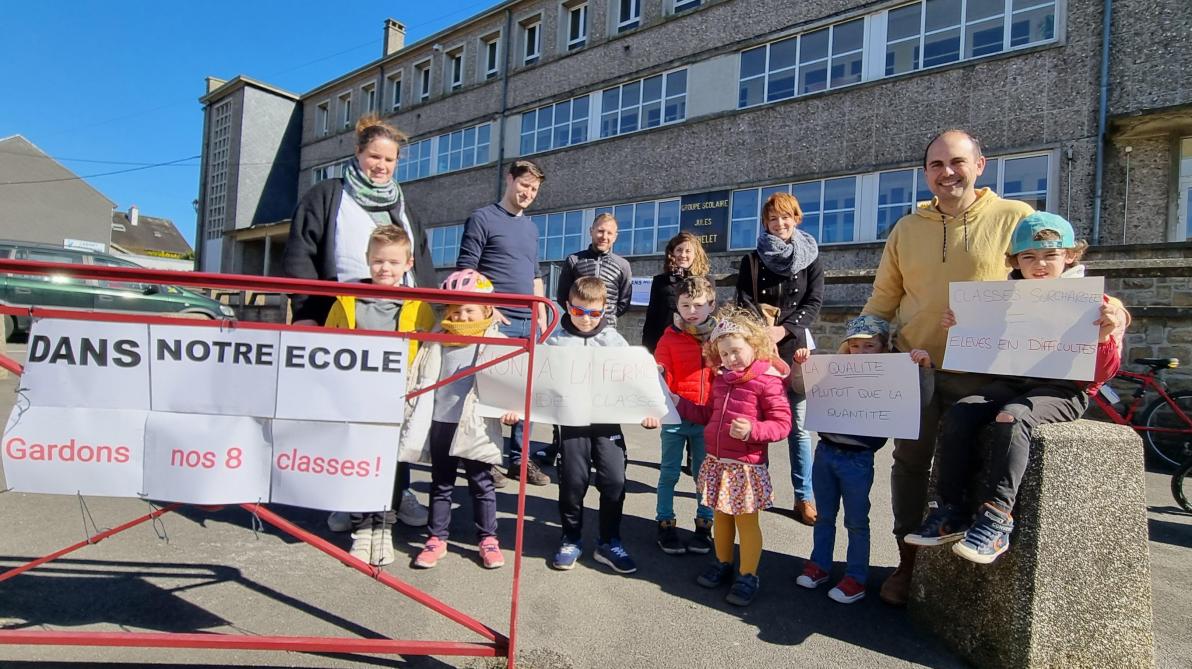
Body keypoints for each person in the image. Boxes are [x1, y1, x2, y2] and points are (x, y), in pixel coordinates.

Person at [860, 128, 1038, 606]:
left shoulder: (1016, 217)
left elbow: (1053, 274)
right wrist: (862, 338)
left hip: (987, 374)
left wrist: (1107, 310)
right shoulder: (906, 228)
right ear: (925, 174)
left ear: (980, 165)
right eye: (936, 165)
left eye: (957, 162)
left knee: (973, 465)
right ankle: (908, 561)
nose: (947, 173)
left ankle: (971, 581)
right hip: (916, 371)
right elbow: (881, 301)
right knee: (909, 466)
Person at [905, 212, 1126, 564]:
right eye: (1029, 257)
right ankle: (951, 512)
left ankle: (996, 518)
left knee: (1013, 417)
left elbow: (1103, 373)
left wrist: (1103, 336)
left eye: (1050, 256)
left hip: (1065, 389)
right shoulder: (1004, 298)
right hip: (1014, 380)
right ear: (1015, 261)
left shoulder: (1099, 304)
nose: (1040, 265)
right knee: (961, 412)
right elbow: (993, 351)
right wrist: (963, 328)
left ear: (1069, 255)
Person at [284, 115, 433, 533]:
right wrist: (308, 314)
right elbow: (300, 257)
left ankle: (397, 493)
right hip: (344, 327)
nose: (381, 166)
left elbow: (421, 261)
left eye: (389, 159)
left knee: (394, 421)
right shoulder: (326, 196)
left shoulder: (403, 205)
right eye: (374, 156)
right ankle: (345, 497)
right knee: (348, 419)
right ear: (358, 154)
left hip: (399, 330)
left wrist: (434, 318)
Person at [796, 316, 932, 604]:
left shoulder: (891, 375)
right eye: (855, 345)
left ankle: (855, 578)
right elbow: (799, 387)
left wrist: (924, 370)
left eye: (869, 346)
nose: (860, 352)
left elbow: (919, 403)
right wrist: (801, 364)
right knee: (825, 517)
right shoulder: (833, 369)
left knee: (856, 521)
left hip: (858, 460)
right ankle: (820, 564)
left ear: (884, 348)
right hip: (826, 452)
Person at [323, 225, 435, 565]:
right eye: (377, 261)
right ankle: (359, 522)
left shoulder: (418, 304)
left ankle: (385, 523)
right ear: (367, 261)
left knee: (392, 460)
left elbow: (430, 346)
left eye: (392, 262)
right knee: (356, 458)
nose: (384, 269)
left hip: (398, 396)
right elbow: (329, 341)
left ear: (408, 263)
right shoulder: (347, 300)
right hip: (356, 396)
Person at [398, 269, 518, 571]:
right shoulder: (436, 340)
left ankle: (488, 537)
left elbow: (511, 380)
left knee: (481, 482)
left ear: (487, 310)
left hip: (476, 424)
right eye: (455, 310)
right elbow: (420, 374)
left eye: (469, 310)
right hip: (441, 422)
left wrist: (511, 407)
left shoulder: (496, 342)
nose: (462, 316)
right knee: (441, 482)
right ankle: (437, 538)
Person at [676, 307, 792, 607]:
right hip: (718, 463)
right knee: (721, 517)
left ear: (754, 345)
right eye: (724, 354)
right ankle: (723, 562)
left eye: (736, 351)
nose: (730, 358)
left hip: (746, 467)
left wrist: (753, 430)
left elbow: (782, 424)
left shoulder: (768, 380)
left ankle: (748, 575)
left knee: (746, 523)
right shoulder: (722, 380)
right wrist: (677, 402)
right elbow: (706, 414)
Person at [547, 277, 661, 574]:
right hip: (572, 424)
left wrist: (647, 411)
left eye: (594, 313)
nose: (586, 319)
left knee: (614, 482)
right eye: (579, 311)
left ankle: (609, 541)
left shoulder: (614, 340)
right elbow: (537, 379)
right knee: (572, 483)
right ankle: (570, 539)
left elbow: (636, 380)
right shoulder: (554, 340)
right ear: (568, 307)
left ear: (604, 310)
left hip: (607, 422)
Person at [457, 160, 550, 488]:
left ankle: (520, 460)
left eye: (534, 189)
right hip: (497, 322)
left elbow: (534, 273)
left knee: (524, 396)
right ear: (510, 180)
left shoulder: (531, 228)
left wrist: (541, 315)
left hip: (529, 323)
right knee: (491, 394)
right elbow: (467, 270)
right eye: (524, 185)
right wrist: (487, 308)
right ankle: (487, 459)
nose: (528, 193)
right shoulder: (482, 218)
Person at [735, 192, 823, 527]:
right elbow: (743, 300)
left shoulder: (812, 257)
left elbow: (814, 303)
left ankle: (804, 497)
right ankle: (761, 489)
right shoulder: (753, 259)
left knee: (799, 430)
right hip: (759, 351)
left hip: (795, 350)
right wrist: (762, 333)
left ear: (796, 218)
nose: (780, 223)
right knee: (760, 427)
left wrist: (783, 331)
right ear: (766, 223)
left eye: (786, 217)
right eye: (773, 219)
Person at [652, 275, 717, 555]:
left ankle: (705, 523)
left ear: (711, 305)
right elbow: (659, 371)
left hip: (707, 418)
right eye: (686, 304)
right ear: (677, 306)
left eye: (699, 305)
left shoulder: (720, 337)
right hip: (675, 417)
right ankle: (665, 521)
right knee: (668, 472)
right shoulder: (668, 338)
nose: (692, 311)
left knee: (704, 474)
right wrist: (657, 373)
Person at [555, 213, 632, 329]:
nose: (604, 236)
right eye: (600, 231)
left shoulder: (623, 266)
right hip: (576, 328)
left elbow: (624, 302)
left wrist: (603, 316)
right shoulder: (573, 261)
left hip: (607, 329)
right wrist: (580, 316)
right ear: (591, 231)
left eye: (609, 233)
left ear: (615, 237)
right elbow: (562, 297)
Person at [642, 232, 710, 354]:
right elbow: (652, 320)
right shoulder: (660, 281)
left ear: (695, 254)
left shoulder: (707, 281)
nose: (683, 255)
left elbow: (712, 317)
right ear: (672, 253)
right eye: (679, 250)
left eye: (688, 251)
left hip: (696, 345)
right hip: (666, 344)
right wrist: (647, 352)